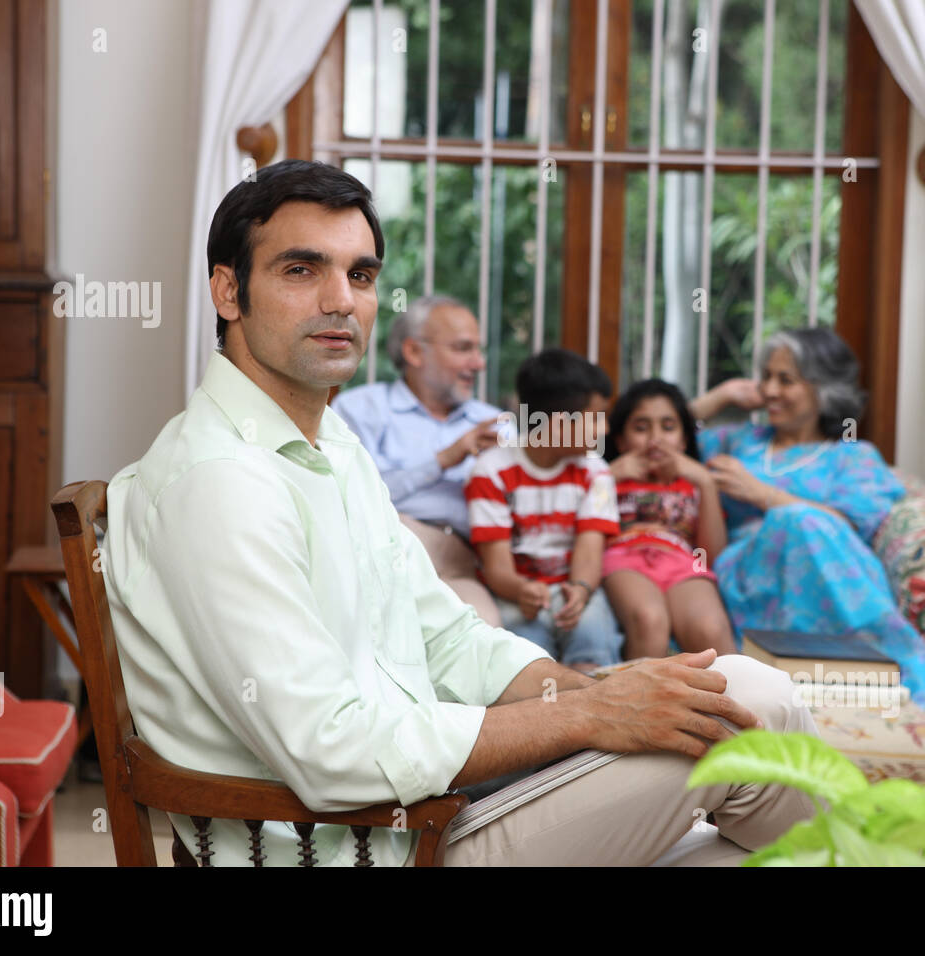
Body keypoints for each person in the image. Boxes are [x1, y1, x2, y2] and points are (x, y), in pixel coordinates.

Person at [102, 158, 818, 867]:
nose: (340, 300)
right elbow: (331, 750)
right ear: (228, 291)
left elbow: (448, 638)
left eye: (360, 275)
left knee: (744, 825)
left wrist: (600, 691)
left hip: (423, 817)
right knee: (756, 699)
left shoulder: (330, 443)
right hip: (367, 848)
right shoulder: (219, 481)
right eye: (300, 270)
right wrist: (588, 715)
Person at [690, 327, 925, 725]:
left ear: (823, 389)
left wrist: (763, 495)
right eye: (767, 377)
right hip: (749, 578)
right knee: (795, 519)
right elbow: (658, 428)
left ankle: (896, 691)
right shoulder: (739, 440)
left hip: (829, 573)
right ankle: (885, 666)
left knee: (801, 521)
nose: (770, 390)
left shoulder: (852, 455)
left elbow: (846, 526)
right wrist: (724, 395)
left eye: (786, 380)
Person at [334, 295, 504, 625]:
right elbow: (353, 494)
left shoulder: (495, 423)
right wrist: (444, 458)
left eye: (478, 350)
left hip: (460, 558)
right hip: (385, 545)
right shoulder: (360, 409)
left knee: (487, 632)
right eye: (463, 348)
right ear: (414, 352)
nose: (479, 363)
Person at [466, 349, 625, 674]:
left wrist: (580, 590)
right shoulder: (491, 471)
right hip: (513, 593)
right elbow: (497, 568)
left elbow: (590, 552)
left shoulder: (595, 472)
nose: (605, 429)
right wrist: (522, 590)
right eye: (597, 417)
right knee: (527, 662)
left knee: (592, 650)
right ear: (558, 423)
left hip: (574, 587)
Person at [602, 379, 737, 659]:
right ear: (620, 439)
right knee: (649, 618)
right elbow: (578, 531)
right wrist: (608, 475)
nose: (655, 439)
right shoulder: (607, 477)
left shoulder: (694, 484)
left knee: (710, 629)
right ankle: (641, 703)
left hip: (684, 563)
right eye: (641, 428)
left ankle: (739, 701)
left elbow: (712, 555)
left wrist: (705, 482)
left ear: (685, 439)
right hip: (623, 557)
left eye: (668, 427)